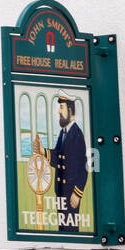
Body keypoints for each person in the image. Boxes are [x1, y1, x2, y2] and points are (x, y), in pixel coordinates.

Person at [31, 95, 88, 231]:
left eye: (61, 107)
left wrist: (78, 193)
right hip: (61, 193)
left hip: (71, 195)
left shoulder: (77, 135)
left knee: (71, 231)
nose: (59, 111)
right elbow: (58, 157)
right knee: (63, 230)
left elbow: (84, 166)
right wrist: (42, 151)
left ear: (69, 109)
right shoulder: (64, 133)